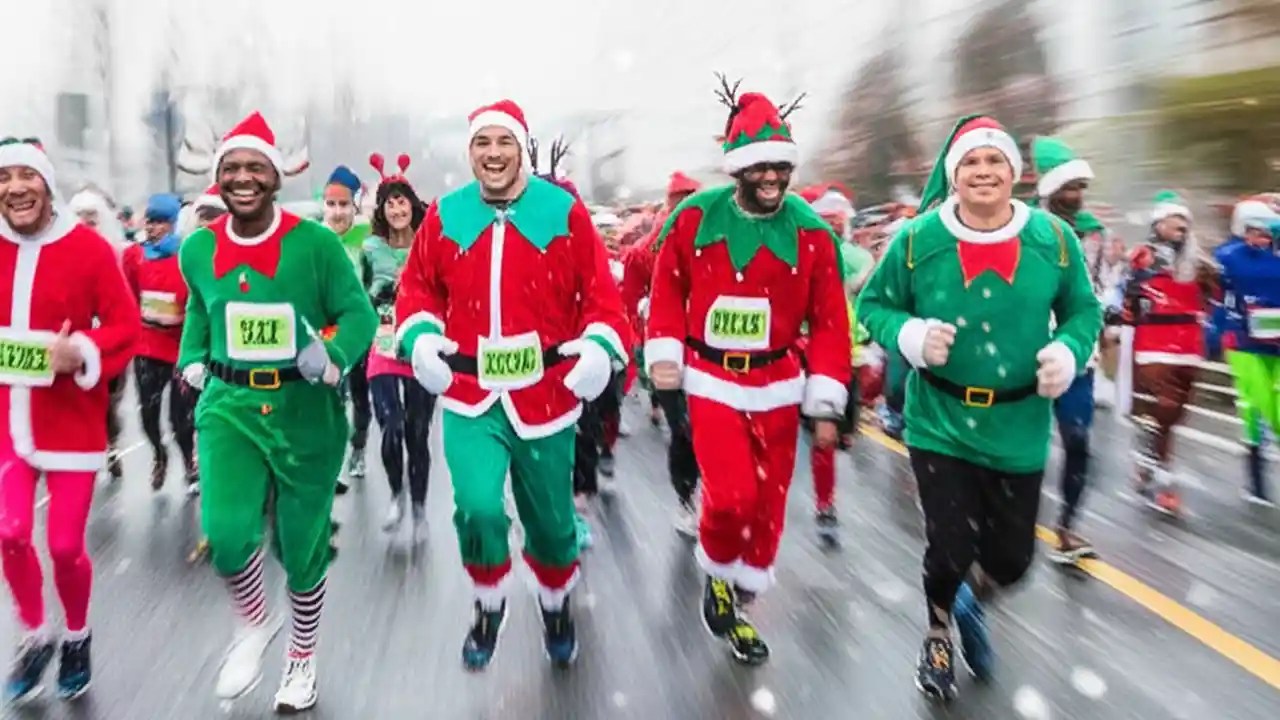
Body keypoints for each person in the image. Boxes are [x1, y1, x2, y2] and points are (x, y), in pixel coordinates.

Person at [857, 115, 1102, 701]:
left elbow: (1084, 313)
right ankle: (938, 629)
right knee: (948, 545)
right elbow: (873, 305)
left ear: (1013, 175)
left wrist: (1067, 354)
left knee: (1014, 561)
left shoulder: (1053, 240)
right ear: (955, 174)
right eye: (971, 162)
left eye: (995, 162)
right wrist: (912, 336)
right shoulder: (918, 239)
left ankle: (967, 598)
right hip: (939, 421)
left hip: (1018, 424)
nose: (984, 172)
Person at [395, 99, 629, 671]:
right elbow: (418, 289)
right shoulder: (445, 215)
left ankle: (554, 603)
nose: (493, 153)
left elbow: (601, 295)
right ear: (470, 152)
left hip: (546, 395)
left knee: (550, 522)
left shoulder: (563, 212)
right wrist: (421, 337)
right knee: (476, 507)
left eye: (504, 142)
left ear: (522, 147)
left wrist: (599, 345)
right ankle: (488, 600)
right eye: (482, 143)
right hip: (470, 395)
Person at [176, 112, 377, 712]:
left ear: (274, 178)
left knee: (300, 546)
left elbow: (360, 314)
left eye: (254, 168)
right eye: (231, 168)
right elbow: (198, 310)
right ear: (219, 180)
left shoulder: (314, 245)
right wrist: (192, 359)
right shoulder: (198, 248)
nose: (243, 178)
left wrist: (333, 354)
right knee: (230, 533)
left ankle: (301, 656)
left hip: (305, 408)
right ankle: (255, 623)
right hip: (229, 406)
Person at [646, 80, 851, 665]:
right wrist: (663, 348)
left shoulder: (811, 232)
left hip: (780, 384)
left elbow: (831, 320)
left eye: (780, 167)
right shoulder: (693, 218)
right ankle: (715, 574)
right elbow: (667, 286)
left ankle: (737, 603)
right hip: (711, 381)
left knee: (768, 507)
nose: (771, 177)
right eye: (759, 165)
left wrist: (827, 393)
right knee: (732, 496)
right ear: (738, 166)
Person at [0, 137, 139, 703]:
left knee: (62, 545)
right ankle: (36, 636)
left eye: (25, 177)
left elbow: (125, 326)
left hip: (70, 425)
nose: (14, 188)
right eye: (4, 179)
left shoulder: (88, 250)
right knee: (8, 531)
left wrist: (79, 351)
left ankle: (76, 635)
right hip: (8, 422)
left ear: (47, 185)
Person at [1113, 191, 1218, 515]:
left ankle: (1148, 451)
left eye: (1184, 221)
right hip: (1154, 341)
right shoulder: (1143, 256)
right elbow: (1127, 294)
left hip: (1189, 344)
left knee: (1174, 415)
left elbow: (1213, 295)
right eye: (1175, 220)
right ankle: (1164, 477)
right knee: (1165, 404)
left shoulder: (1199, 262)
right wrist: (1121, 318)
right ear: (1158, 224)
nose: (1181, 225)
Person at [1031, 136, 1103, 563]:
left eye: (1080, 188)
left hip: (1078, 353)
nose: (1075, 196)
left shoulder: (1093, 234)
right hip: (1029, 351)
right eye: (1068, 187)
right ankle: (1001, 518)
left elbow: (1099, 287)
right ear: (1050, 189)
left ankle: (1068, 527)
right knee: (1025, 444)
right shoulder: (1024, 227)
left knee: (1077, 439)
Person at [621, 171, 702, 535]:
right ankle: (687, 498)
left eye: (690, 197)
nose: (684, 205)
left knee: (711, 429)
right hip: (666, 349)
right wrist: (645, 311)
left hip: (708, 354)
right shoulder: (644, 252)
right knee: (683, 430)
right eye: (678, 198)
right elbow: (630, 299)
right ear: (667, 204)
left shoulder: (715, 242)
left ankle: (717, 497)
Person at [363, 153, 434, 539]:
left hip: (421, 349)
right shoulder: (371, 250)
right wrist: (377, 297)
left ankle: (420, 505)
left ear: (413, 205)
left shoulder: (428, 245)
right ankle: (396, 495)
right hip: (383, 347)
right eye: (389, 202)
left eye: (401, 201)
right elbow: (358, 298)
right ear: (382, 209)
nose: (396, 209)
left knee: (417, 431)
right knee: (390, 427)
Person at [122, 193, 200, 492]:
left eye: (161, 223)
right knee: (148, 415)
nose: (153, 228)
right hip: (148, 348)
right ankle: (158, 453)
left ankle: (189, 463)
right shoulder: (135, 257)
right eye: (150, 222)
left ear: (172, 225)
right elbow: (126, 294)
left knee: (181, 418)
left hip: (179, 350)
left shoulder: (186, 258)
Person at [1213, 198, 1280, 506]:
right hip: (1243, 343)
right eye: (1255, 231)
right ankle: (1256, 482)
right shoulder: (1228, 258)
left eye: (1267, 232)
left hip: (1276, 343)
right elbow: (1216, 294)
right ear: (1243, 229)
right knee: (1255, 406)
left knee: (1277, 412)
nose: (1262, 238)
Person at [322, 165, 373, 488]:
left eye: (344, 205)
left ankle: (358, 448)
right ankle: (334, 464)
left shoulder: (366, 237)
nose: (338, 212)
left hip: (362, 331)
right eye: (332, 205)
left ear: (354, 206)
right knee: (331, 399)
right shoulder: (316, 237)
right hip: (328, 332)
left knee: (361, 397)